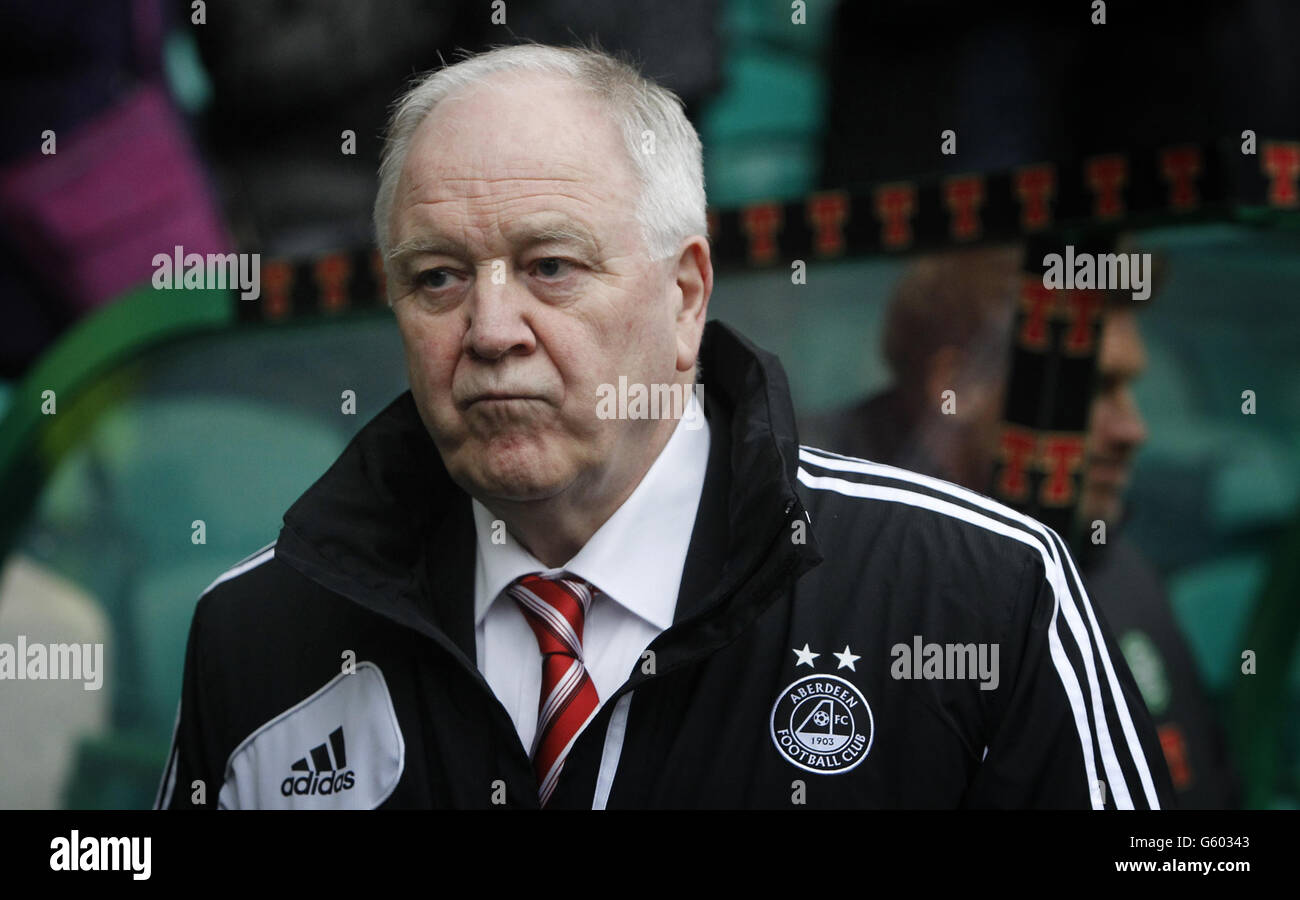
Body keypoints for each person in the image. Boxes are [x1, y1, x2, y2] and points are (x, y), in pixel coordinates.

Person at [156, 45, 1172, 810]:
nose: (492, 330)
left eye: (551, 266)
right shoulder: (260, 636)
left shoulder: (975, 593)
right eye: (437, 278)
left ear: (686, 296)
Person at [803, 246, 1239, 808]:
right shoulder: (818, 557)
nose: (1134, 429)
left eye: (1130, 389)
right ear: (958, 384)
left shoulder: (1112, 571)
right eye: (1093, 388)